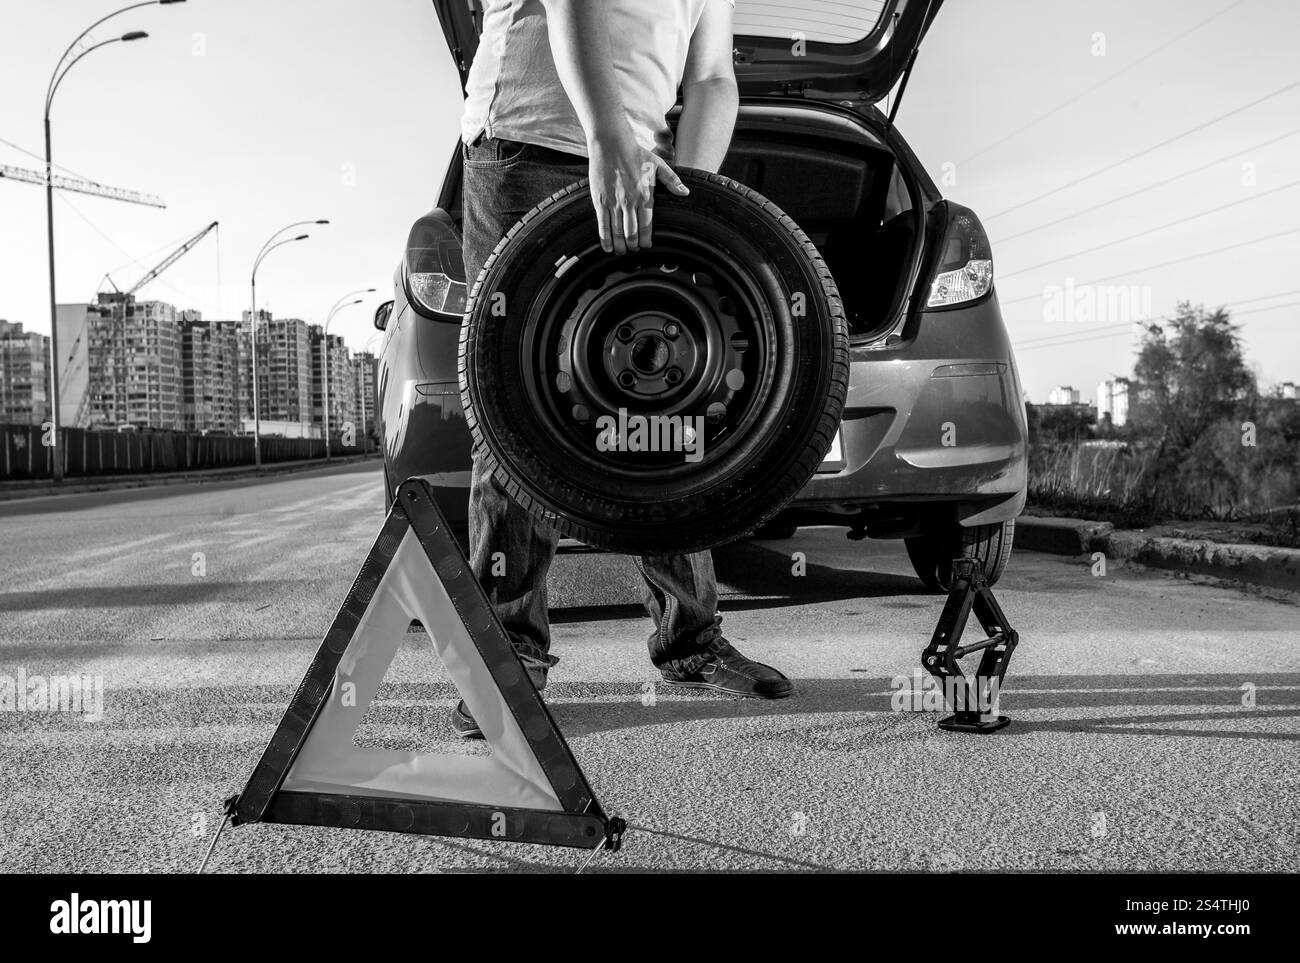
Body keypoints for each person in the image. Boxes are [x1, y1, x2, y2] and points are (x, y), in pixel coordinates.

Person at [454, 0, 792, 738]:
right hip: (529, 146)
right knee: (517, 414)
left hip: (642, 170)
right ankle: (508, 654)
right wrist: (607, 136)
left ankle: (691, 639)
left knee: (661, 401)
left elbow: (710, 79)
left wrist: (688, 199)